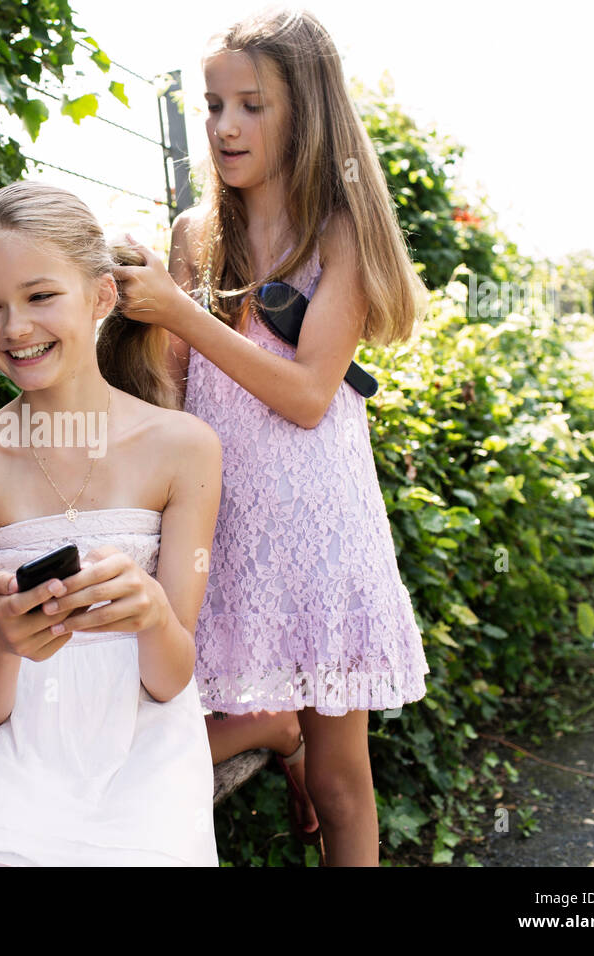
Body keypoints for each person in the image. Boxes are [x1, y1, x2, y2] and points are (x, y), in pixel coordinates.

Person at [113, 7, 430, 866]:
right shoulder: (195, 236)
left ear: (307, 112)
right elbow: (171, 390)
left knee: (340, 780)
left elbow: (306, 395)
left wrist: (182, 310)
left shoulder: (341, 231)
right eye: (212, 105)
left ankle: (294, 736)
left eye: (251, 105)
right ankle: (273, 728)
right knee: (175, 731)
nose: (223, 127)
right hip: (225, 523)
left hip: (321, 524)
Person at [0, 181, 222, 866]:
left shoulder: (184, 447)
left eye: (40, 296)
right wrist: (0, 636)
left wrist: (151, 616)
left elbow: (170, 679)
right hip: (12, 760)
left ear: (103, 297)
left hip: (146, 753)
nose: (14, 328)